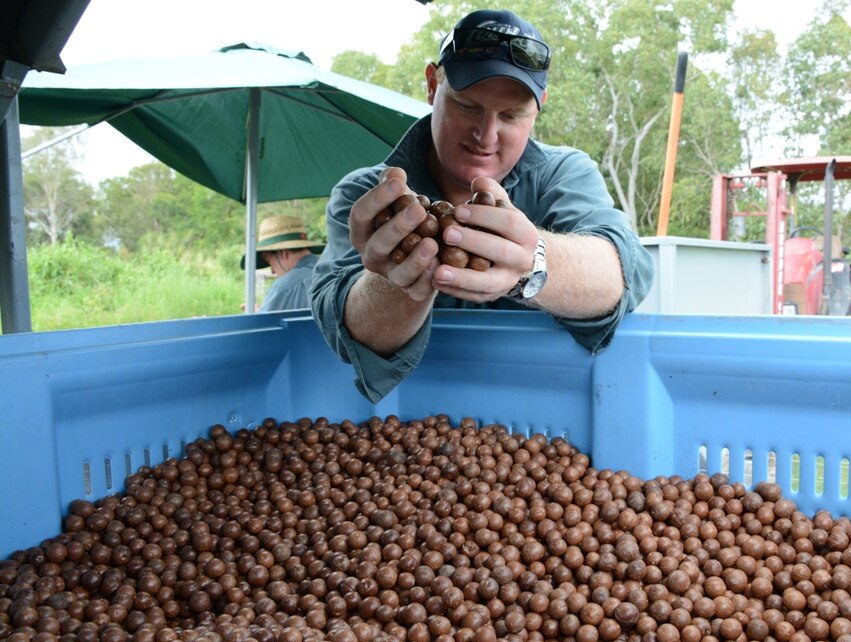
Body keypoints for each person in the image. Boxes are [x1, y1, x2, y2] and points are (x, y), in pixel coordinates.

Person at [311, 8, 654, 403]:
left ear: (539, 106)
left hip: (540, 408)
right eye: (468, 106)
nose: (486, 136)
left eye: (511, 115)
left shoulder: (563, 173)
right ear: (432, 84)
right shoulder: (368, 194)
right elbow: (346, 328)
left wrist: (531, 262)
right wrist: (398, 280)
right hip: (409, 413)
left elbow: (622, 271)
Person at [242, 215, 325, 312]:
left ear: (283, 253)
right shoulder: (333, 270)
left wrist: (257, 314)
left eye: (269, 261)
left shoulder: (284, 287)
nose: (272, 271)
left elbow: (263, 321)